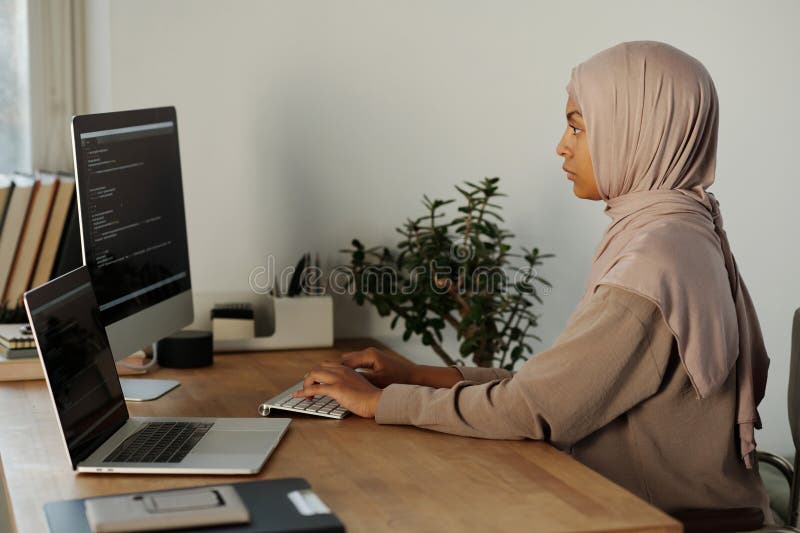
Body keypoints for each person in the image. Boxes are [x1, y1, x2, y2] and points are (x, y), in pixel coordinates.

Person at [293, 41, 774, 522]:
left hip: (660, 521)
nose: (562, 145)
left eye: (577, 126)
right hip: (644, 506)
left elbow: (534, 408)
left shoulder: (657, 262)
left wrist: (379, 402)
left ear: (638, 131)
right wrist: (414, 376)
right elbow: (553, 391)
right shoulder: (676, 232)